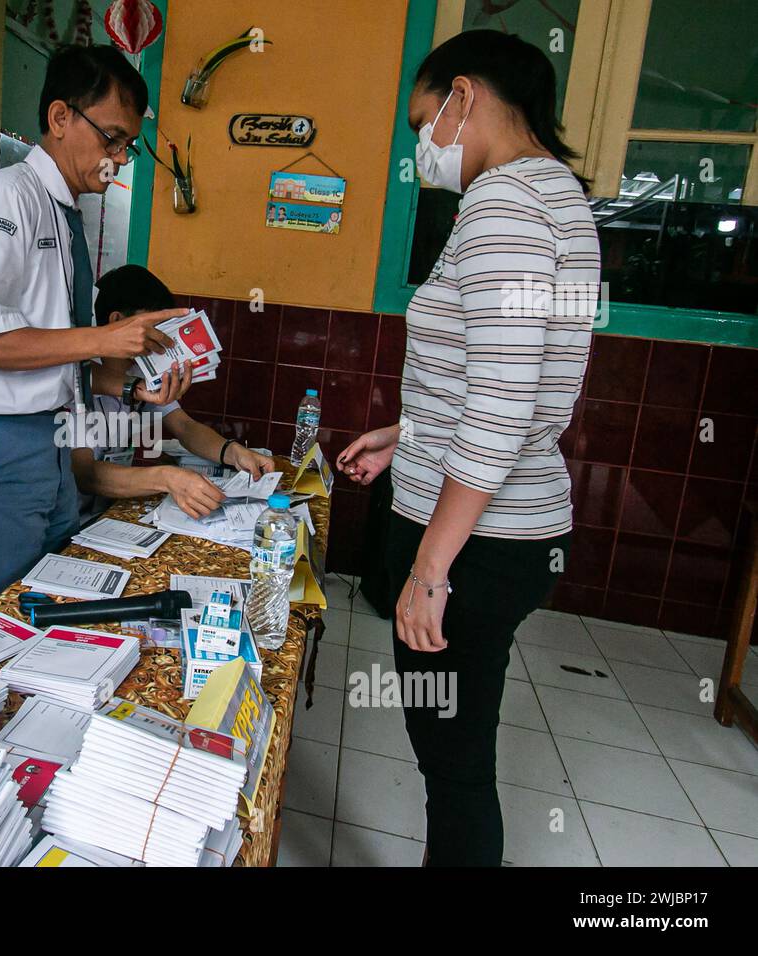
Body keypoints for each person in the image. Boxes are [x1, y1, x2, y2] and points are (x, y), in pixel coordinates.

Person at [335, 30, 599, 867]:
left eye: (424, 122)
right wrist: (405, 433)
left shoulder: (502, 204)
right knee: (458, 746)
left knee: (452, 765)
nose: (425, 146)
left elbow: (500, 407)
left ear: (464, 96)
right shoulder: (560, 199)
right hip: (515, 529)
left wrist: (429, 569)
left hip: (473, 544)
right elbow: (518, 382)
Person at [0, 44, 189, 617]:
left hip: (53, 438)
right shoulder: (1, 198)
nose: (119, 158)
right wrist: (106, 340)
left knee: (50, 605)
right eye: (112, 138)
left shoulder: (63, 215)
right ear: (60, 117)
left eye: (127, 146)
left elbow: (50, 351)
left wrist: (132, 387)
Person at [71, 265, 276, 523]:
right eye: (152, 326)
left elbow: (184, 426)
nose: (159, 337)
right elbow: (85, 475)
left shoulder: (142, 372)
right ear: (116, 320)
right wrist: (167, 478)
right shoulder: (75, 378)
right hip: (70, 523)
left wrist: (233, 452)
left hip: (107, 514)